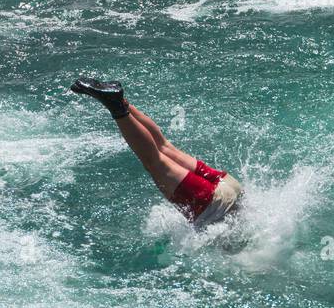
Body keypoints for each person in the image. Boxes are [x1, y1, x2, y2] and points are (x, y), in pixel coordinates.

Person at [70, 78, 243, 225]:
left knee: (164, 146)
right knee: (154, 161)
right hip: (214, 207)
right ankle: (116, 105)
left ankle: (120, 100)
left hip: (231, 187)